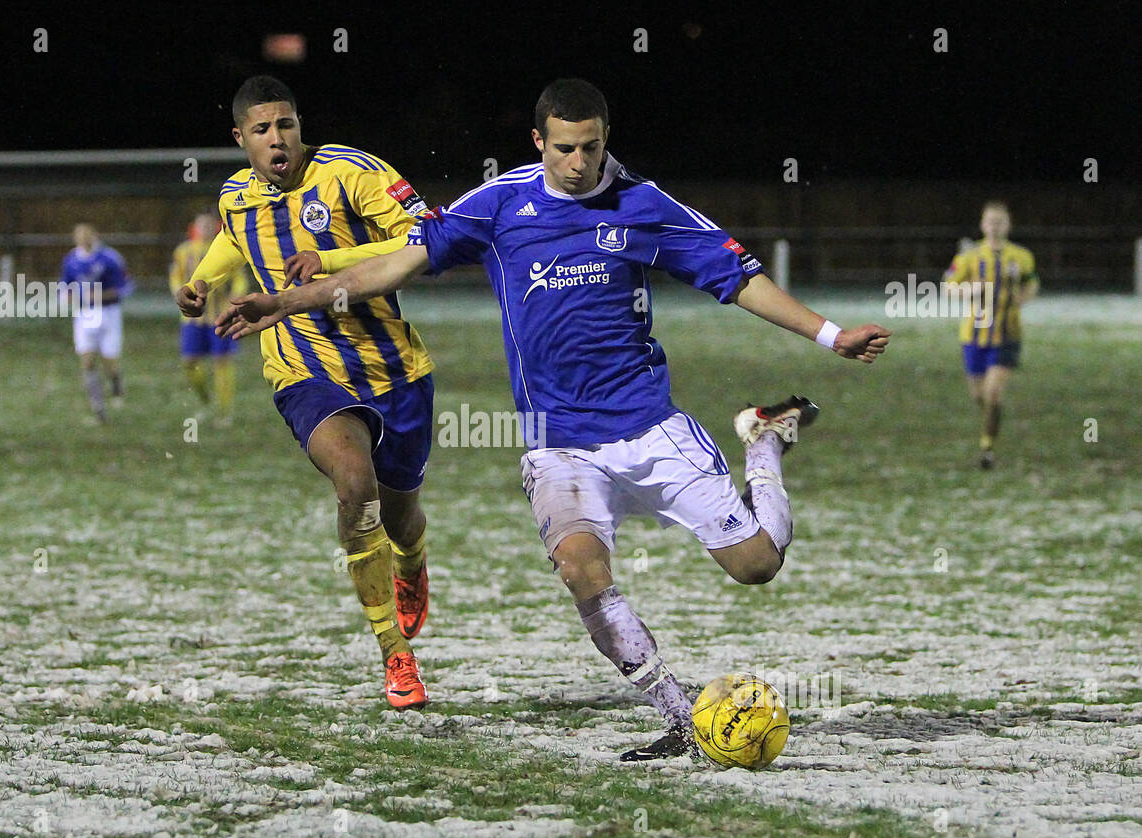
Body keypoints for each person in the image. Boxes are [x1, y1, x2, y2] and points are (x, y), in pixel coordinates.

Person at [217, 78, 890, 759]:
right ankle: (681, 719)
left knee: (755, 566)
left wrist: (831, 335)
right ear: (539, 142)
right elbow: (400, 263)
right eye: (564, 148)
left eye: (591, 147)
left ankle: (766, 442)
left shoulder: (643, 205)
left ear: (605, 140)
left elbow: (738, 278)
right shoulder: (500, 203)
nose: (578, 163)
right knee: (580, 569)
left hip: (648, 426)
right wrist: (288, 299)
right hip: (558, 444)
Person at [173, 76, 436, 709]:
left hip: (393, 370)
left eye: (285, 125)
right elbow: (235, 237)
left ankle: (412, 561)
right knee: (355, 484)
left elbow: (430, 234)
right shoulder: (236, 195)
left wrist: (334, 258)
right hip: (303, 371)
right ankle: (394, 655)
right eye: (261, 130)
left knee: (401, 514)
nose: (277, 139)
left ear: (300, 125)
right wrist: (203, 282)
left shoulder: (353, 173)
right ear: (241, 139)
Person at [943, 201, 1038, 469]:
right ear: (983, 225)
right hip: (974, 337)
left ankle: (987, 448)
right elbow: (948, 287)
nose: (995, 226)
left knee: (993, 393)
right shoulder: (969, 257)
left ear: (1008, 225)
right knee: (979, 397)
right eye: (990, 221)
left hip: (1008, 334)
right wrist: (969, 290)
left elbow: (1032, 282)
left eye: (1000, 221)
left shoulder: (1021, 257)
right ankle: (991, 426)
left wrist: (1024, 296)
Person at [169, 213, 248, 425]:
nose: (204, 228)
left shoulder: (224, 250)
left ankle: (224, 412)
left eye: (208, 225)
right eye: (200, 224)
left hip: (219, 314)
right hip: (193, 320)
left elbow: (239, 277)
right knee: (190, 362)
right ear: (194, 227)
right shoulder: (183, 251)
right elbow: (175, 277)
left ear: (216, 227)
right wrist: (180, 292)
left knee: (222, 362)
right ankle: (205, 399)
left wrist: (236, 295)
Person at [62, 224, 131, 424]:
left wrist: (101, 295)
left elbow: (125, 287)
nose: (83, 239)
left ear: (95, 235)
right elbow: (64, 285)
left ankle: (115, 381)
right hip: (84, 314)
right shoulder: (71, 260)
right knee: (87, 360)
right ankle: (98, 406)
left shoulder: (111, 258)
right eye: (79, 235)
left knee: (110, 361)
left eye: (87, 235)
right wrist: (66, 296)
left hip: (109, 313)